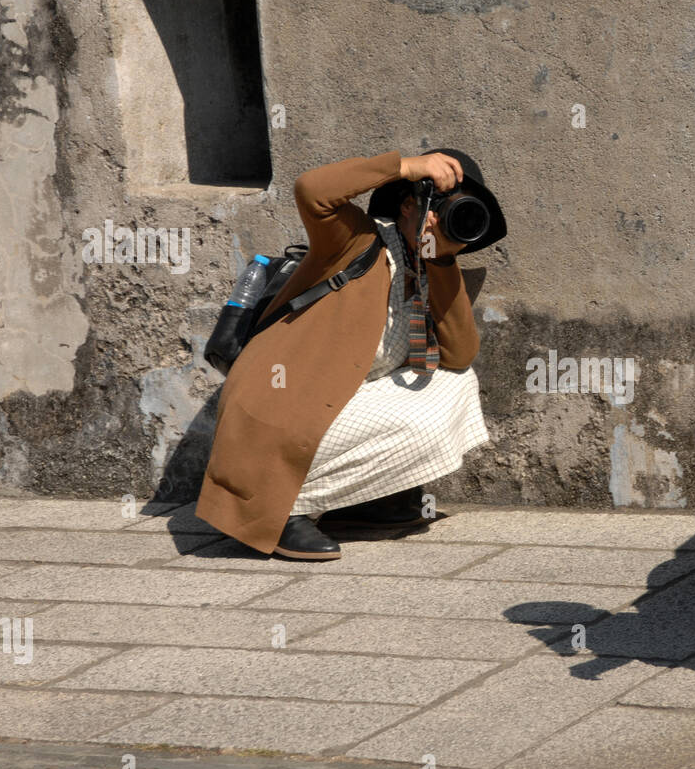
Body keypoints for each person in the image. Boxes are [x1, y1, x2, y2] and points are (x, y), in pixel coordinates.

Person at [195, 148, 506, 560]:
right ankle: (280, 507)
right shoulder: (356, 241)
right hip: (282, 404)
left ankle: (368, 504)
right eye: (443, 209)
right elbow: (312, 190)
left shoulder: (427, 268)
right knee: (431, 404)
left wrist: (442, 258)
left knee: (457, 383)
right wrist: (407, 166)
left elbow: (459, 354)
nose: (450, 222)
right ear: (410, 206)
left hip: (333, 404)